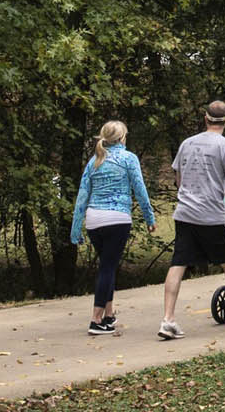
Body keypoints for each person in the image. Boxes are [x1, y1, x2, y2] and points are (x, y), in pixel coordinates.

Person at [159, 100, 225, 338]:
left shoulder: (186, 143)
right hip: (213, 216)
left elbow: (179, 181)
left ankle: (168, 320)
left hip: (185, 214)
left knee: (178, 263)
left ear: (205, 119)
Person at [69, 120, 155, 336]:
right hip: (117, 218)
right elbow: (140, 189)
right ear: (122, 138)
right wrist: (149, 217)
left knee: (108, 264)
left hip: (94, 220)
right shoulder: (128, 158)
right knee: (107, 268)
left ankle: (108, 315)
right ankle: (96, 320)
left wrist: (76, 228)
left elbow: (82, 196)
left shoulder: (94, 161)